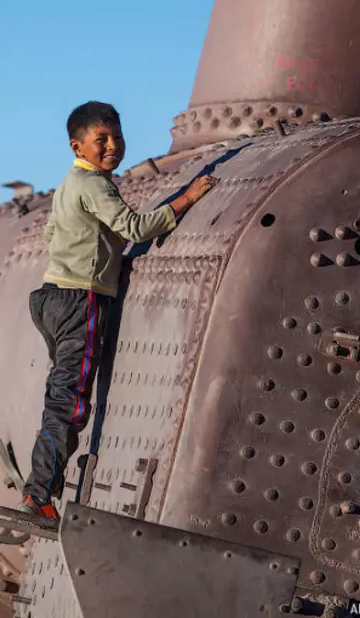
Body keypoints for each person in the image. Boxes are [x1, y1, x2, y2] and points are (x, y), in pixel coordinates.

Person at [18, 101, 216, 520]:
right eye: (101, 140)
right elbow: (136, 228)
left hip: (51, 297)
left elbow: (55, 233)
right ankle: (39, 495)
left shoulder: (69, 184)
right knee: (69, 404)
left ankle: (40, 489)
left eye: (117, 137)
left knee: (59, 394)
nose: (112, 146)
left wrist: (104, 254)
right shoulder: (97, 186)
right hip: (80, 301)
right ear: (78, 145)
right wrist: (186, 199)